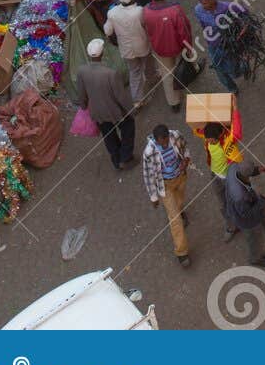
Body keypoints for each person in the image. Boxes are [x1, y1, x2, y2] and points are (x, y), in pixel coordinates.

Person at [77, 38, 136, 171]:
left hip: (97, 113)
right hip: (115, 111)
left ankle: (116, 161)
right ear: (102, 53)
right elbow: (121, 97)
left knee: (109, 136)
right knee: (128, 128)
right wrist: (130, 110)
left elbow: (81, 93)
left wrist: (84, 106)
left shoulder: (82, 71)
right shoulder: (111, 74)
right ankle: (125, 157)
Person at [142, 123, 192, 266]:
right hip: (165, 186)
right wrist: (153, 197)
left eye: (166, 141)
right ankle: (182, 252)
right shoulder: (149, 152)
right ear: (156, 140)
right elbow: (148, 176)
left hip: (180, 177)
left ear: (168, 136)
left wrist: (186, 160)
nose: (164, 145)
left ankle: (180, 210)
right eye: (161, 142)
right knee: (175, 220)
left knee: (180, 201)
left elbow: (185, 147)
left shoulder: (175, 135)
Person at [224, 161, 265, 267]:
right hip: (244, 218)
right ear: (246, 177)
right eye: (250, 174)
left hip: (252, 201)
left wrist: (258, 170)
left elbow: (246, 172)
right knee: (255, 238)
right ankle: (255, 259)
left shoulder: (234, 167)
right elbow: (248, 214)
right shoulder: (239, 196)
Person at [142, 0, 193, 109]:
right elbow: (184, 31)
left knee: (167, 75)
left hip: (160, 49)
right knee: (183, 66)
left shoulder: (146, 11)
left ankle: (174, 102)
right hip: (177, 47)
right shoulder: (175, 10)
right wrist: (189, 47)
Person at [105, 0, 155, 105]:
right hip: (142, 45)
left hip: (126, 49)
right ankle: (152, 77)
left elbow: (108, 31)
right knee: (149, 62)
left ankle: (137, 100)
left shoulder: (112, 13)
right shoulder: (139, 11)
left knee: (134, 72)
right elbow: (146, 25)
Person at [201, 110, 243, 237]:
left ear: (219, 136)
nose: (210, 143)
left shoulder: (227, 141)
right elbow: (196, 128)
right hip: (215, 176)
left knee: (235, 202)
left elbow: (236, 131)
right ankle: (231, 226)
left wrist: (235, 109)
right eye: (208, 141)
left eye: (212, 141)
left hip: (229, 178)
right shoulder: (207, 140)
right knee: (222, 205)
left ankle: (244, 221)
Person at [194, 0, 241, 91]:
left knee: (233, 68)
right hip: (213, 45)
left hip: (228, 44)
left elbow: (244, 12)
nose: (203, 5)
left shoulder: (226, 7)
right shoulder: (198, 10)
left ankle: (241, 69)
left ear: (213, 0)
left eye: (205, 3)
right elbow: (203, 25)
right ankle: (232, 88)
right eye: (201, 2)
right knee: (218, 68)